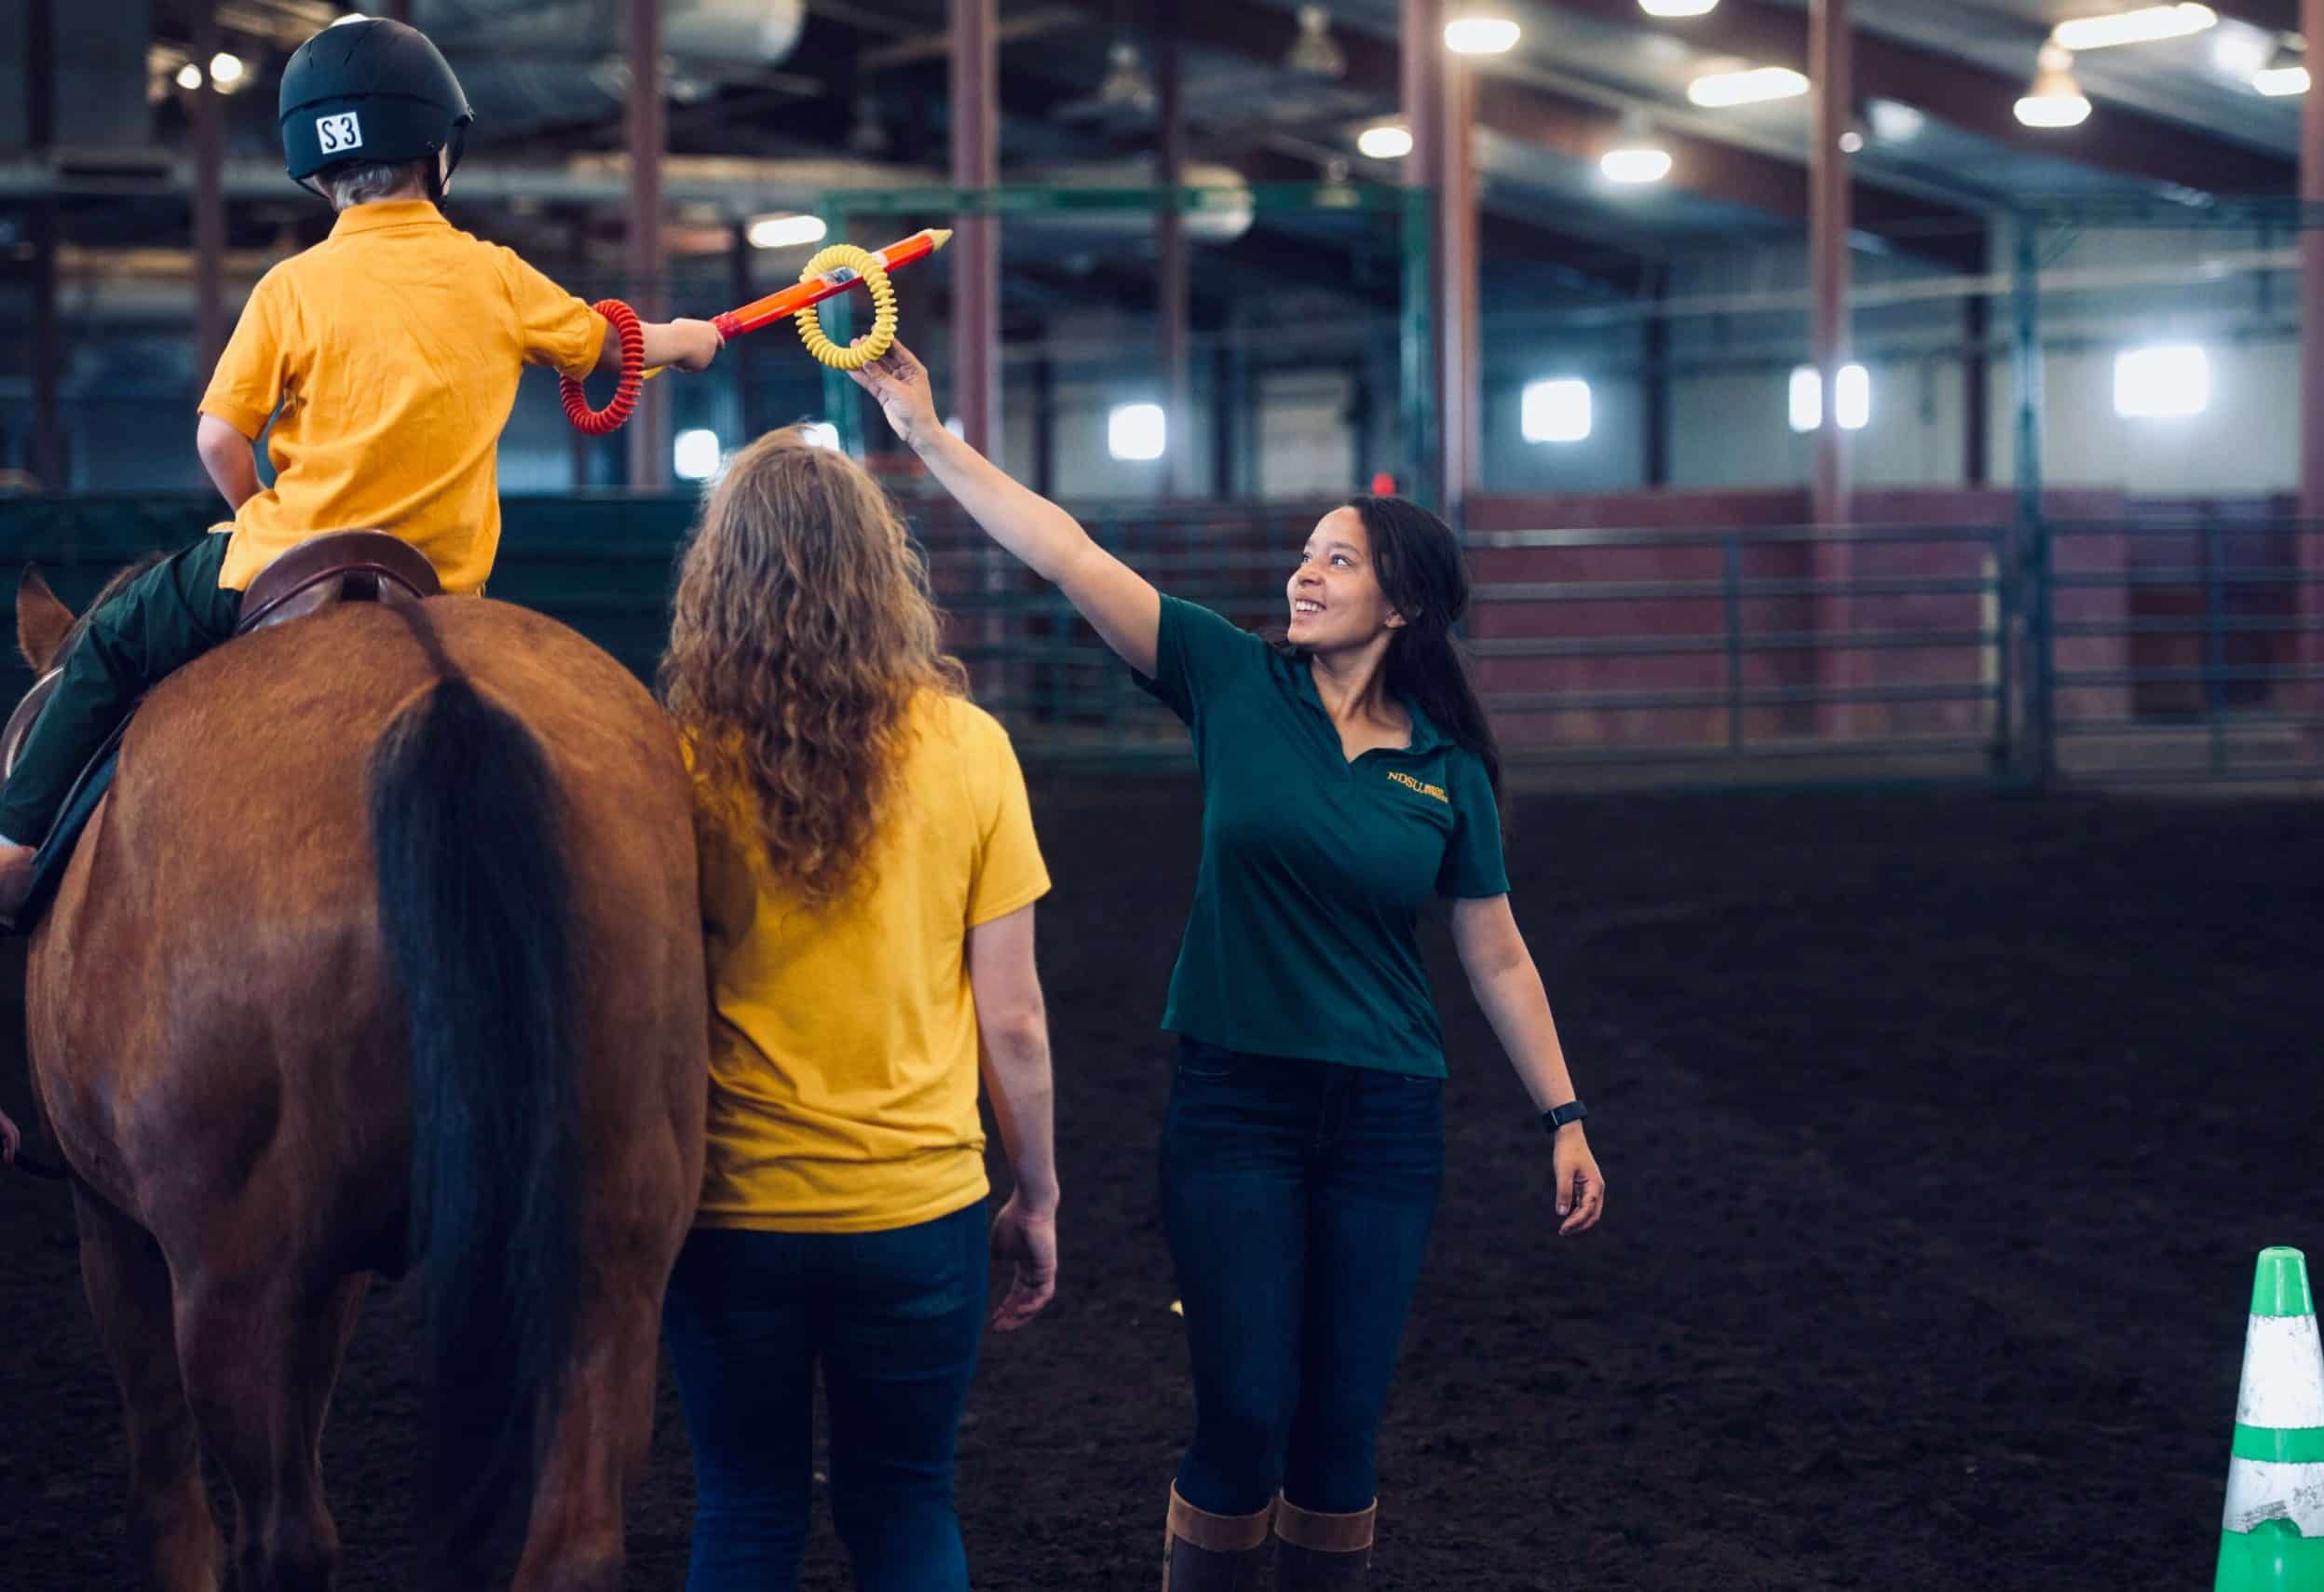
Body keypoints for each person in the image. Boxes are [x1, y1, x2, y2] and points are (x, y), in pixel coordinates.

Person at [851, 342, 1606, 1591]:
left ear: (1402, 603)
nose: (1304, 575)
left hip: (1385, 1120)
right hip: (1234, 1109)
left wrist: (1563, 1113)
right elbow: (1068, 552)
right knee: (1244, 1415)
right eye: (1307, 553)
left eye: (1337, 559)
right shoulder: (1234, 681)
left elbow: (1498, 951)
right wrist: (928, 436)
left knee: (1339, 1435)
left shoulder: (1448, 770)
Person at [0, 15, 720, 917]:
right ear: (436, 148)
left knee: (106, 641)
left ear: (318, 170)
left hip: (286, 559)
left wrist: (261, 512)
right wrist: (690, 341)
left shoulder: (290, 286)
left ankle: (13, 839)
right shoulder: (493, 275)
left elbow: (216, 440)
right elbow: (615, 346)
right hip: (441, 581)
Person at [659, 429, 1061, 1592]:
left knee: (744, 1505)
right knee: (904, 1507)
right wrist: (1034, 1191)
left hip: (730, 1208)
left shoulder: (674, 759)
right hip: (918, 1209)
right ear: (879, 575)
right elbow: (1017, 1019)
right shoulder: (972, 749)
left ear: (717, 578)